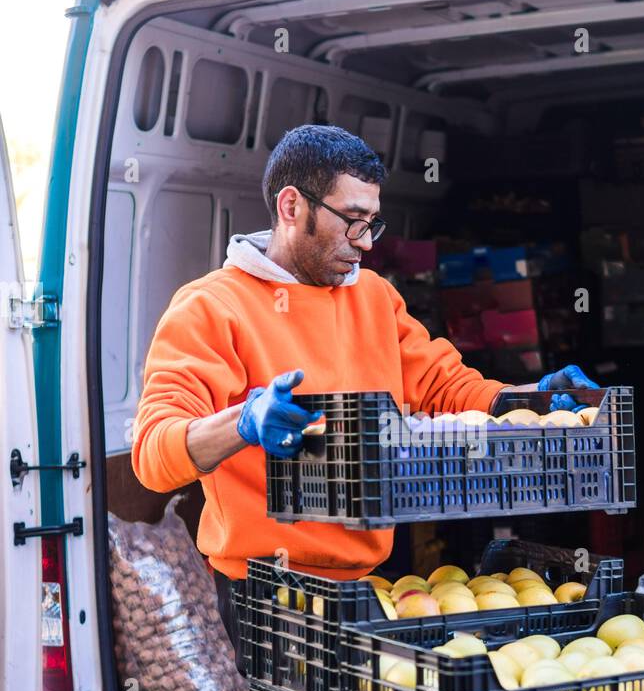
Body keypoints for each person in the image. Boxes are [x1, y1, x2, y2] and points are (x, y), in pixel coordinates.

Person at [132, 123, 594, 650]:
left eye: (372, 224)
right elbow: (153, 456)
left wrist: (526, 397)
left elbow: (443, 384)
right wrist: (240, 424)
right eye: (352, 222)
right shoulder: (211, 308)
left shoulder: (373, 296)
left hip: (374, 586)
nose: (366, 244)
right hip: (270, 598)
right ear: (291, 206)